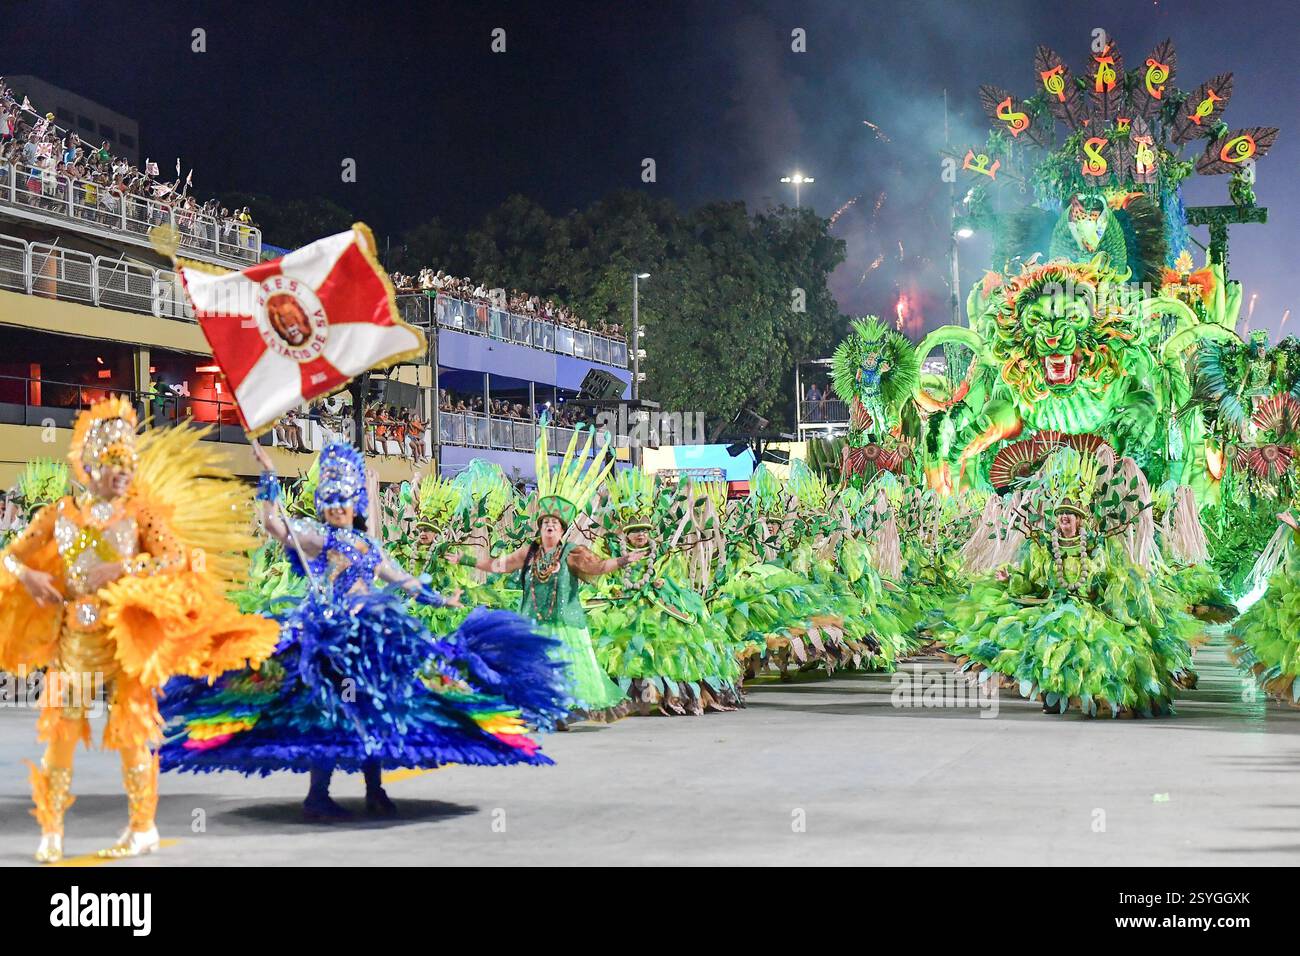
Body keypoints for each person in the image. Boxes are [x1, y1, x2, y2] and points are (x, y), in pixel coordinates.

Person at [159, 440, 568, 820]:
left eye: (344, 500)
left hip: (373, 634)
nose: (338, 507)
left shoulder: (369, 546)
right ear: (323, 504)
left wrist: (441, 600)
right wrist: (267, 477)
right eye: (331, 500)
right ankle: (318, 795)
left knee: (375, 708)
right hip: (327, 635)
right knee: (328, 713)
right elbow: (274, 524)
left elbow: (402, 580)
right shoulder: (318, 538)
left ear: (355, 503)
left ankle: (375, 791)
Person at [0, 397, 279, 862]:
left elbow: (176, 557)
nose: (125, 472)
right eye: (116, 462)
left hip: (126, 641)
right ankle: (51, 832)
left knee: (133, 734)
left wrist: (125, 568)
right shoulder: (60, 514)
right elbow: (12, 555)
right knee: (61, 735)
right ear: (92, 464)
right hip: (74, 642)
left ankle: (142, 827)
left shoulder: (139, 514)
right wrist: (29, 576)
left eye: (130, 463)